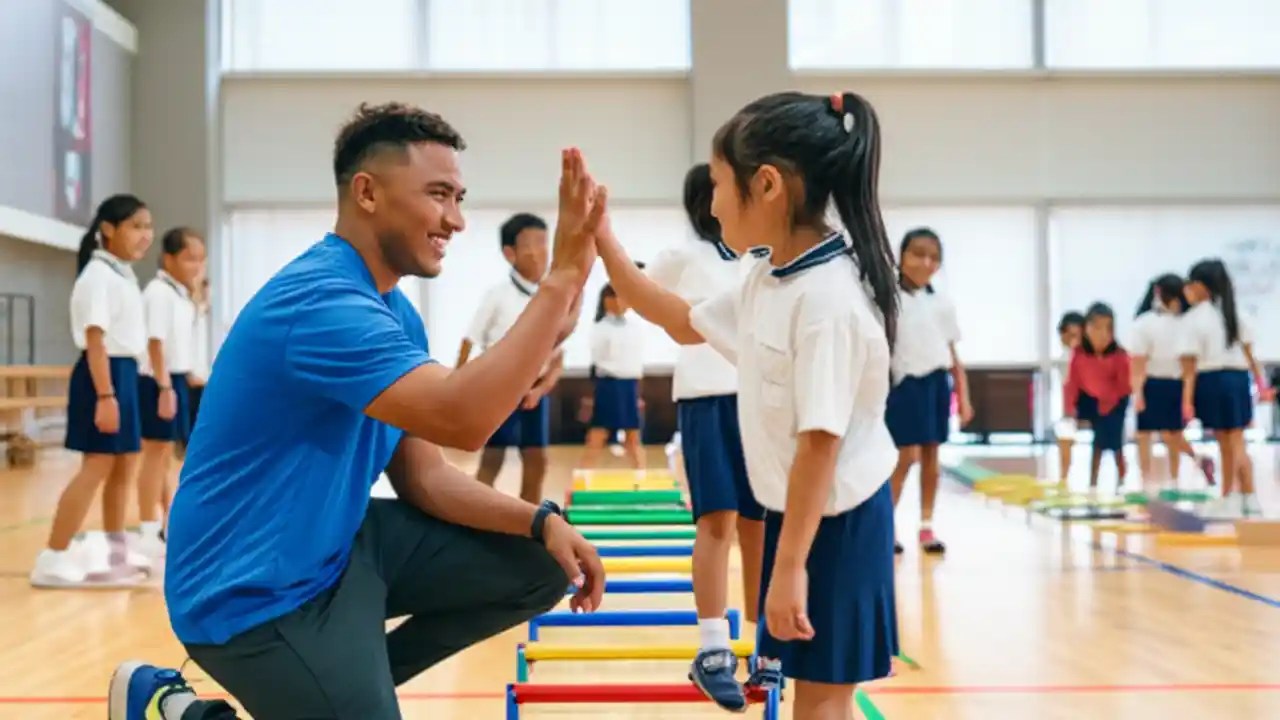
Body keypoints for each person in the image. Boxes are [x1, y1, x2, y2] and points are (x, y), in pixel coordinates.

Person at [108, 102, 607, 720]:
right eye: (439, 195)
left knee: (538, 566)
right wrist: (558, 282)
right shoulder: (321, 302)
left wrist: (542, 523)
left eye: (459, 198)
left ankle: (336, 689)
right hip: (247, 593)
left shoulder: (394, 313)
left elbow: (426, 478)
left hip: (338, 546)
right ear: (367, 192)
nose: (455, 220)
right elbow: (463, 420)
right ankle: (182, 709)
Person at [590, 90, 901, 720]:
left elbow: (821, 444)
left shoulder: (827, 300)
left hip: (834, 525)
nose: (710, 203)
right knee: (808, 697)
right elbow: (682, 321)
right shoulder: (769, 274)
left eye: (718, 184)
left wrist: (789, 568)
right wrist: (602, 240)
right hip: (803, 520)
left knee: (822, 701)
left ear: (767, 186)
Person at [642, 162, 765, 711]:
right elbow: (641, 294)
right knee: (715, 521)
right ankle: (713, 648)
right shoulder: (683, 256)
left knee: (759, 524)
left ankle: (766, 643)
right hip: (704, 401)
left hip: (759, 400)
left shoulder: (760, 256)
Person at [31, 194, 155, 588]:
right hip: (103, 376)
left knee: (123, 466)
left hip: (124, 373)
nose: (145, 235)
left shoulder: (120, 274)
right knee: (98, 465)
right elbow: (95, 340)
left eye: (148, 227)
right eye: (136, 226)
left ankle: (115, 555)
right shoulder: (97, 276)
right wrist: (106, 395)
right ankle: (53, 555)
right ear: (108, 229)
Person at [456, 213, 564, 502]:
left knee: (537, 460)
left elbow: (558, 357)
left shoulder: (551, 299)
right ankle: (474, 515)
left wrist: (540, 390)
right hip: (498, 389)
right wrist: (458, 387)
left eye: (544, 243)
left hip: (534, 392)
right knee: (493, 458)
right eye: (531, 245)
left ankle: (530, 520)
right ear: (509, 253)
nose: (541, 253)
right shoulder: (497, 295)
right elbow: (470, 339)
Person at [884, 227, 970, 555]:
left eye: (934, 257)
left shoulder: (941, 303)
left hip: (936, 383)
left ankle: (926, 525)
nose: (925, 262)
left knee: (932, 456)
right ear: (901, 256)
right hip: (904, 384)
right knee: (904, 457)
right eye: (918, 253)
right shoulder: (889, 299)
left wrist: (964, 397)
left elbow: (953, 355)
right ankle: (886, 527)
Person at [134, 227, 206, 559]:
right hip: (156, 381)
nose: (197, 265)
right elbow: (155, 342)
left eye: (200, 259)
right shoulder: (158, 292)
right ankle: (148, 527)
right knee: (154, 454)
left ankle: (166, 524)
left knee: (164, 457)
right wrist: (164, 386)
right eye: (190, 258)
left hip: (176, 378)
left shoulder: (180, 294)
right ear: (169, 258)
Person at [1180, 259, 1270, 518]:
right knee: (1234, 441)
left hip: (1213, 381)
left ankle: (1239, 495)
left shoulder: (1196, 318)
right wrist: (1260, 386)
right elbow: (1251, 358)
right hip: (1238, 380)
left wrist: (1187, 402)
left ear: (1201, 286)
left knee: (1229, 442)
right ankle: (1239, 496)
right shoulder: (1236, 312)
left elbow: (1189, 367)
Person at [1129, 273, 1214, 489]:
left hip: (1176, 383)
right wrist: (1137, 393)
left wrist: (1188, 397)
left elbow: (1190, 366)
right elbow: (1138, 363)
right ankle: (1145, 479)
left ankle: (1175, 479)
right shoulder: (1145, 323)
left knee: (1173, 434)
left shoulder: (1188, 323)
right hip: (1152, 381)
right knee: (1144, 435)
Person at [1063, 302, 1131, 492]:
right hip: (1092, 398)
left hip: (1116, 400)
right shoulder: (1079, 353)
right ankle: (1093, 481)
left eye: (1108, 329)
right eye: (1097, 328)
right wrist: (1070, 409)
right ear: (1087, 329)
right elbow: (1073, 382)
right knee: (1098, 441)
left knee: (1114, 441)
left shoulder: (1119, 355)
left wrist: (1109, 402)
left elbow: (1124, 385)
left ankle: (1121, 478)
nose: (1103, 334)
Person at [579, 284, 645, 469]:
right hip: (609, 384)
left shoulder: (634, 326)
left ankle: (640, 478)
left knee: (633, 435)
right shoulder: (600, 327)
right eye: (616, 297)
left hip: (629, 385)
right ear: (607, 300)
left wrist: (638, 393)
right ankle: (583, 477)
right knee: (598, 434)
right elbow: (597, 362)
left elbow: (635, 362)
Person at [1054, 311, 1085, 483]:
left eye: (1077, 336)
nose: (1074, 340)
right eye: (1069, 335)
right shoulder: (1065, 358)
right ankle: (1063, 477)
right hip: (1070, 408)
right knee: (1065, 432)